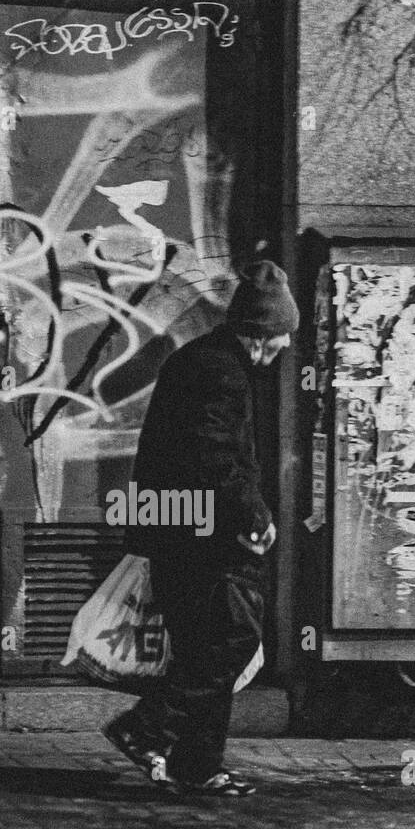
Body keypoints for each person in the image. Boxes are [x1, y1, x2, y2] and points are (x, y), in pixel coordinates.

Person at [103, 259, 298, 796]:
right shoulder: (221, 371)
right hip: (200, 535)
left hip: (180, 526)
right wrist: (253, 517)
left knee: (203, 647)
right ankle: (146, 729)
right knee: (232, 638)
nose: (284, 347)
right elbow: (217, 456)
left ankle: (200, 766)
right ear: (259, 334)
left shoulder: (204, 360)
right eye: (281, 336)